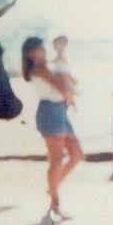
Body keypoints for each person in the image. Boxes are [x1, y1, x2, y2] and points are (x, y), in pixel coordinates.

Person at [22, 36, 84, 214]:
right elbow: (60, 86)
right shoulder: (39, 68)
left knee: (76, 154)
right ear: (30, 53)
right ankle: (54, 201)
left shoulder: (45, 66)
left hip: (59, 110)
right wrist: (72, 91)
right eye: (40, 49)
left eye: (43, 48)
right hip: (50, 112)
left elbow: (63, 82)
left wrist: (69, 87)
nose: (44, 51)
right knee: (56, 161)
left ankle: (52, 188)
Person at [51, 34, 80, 103]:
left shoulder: (62, 55)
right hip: (62, 78)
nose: (59, 46)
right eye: (57, 44)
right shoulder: (60, 55)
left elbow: (64, 70)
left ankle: (72, 104)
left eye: (62, 44)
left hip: (64, 77)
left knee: (67, 98)